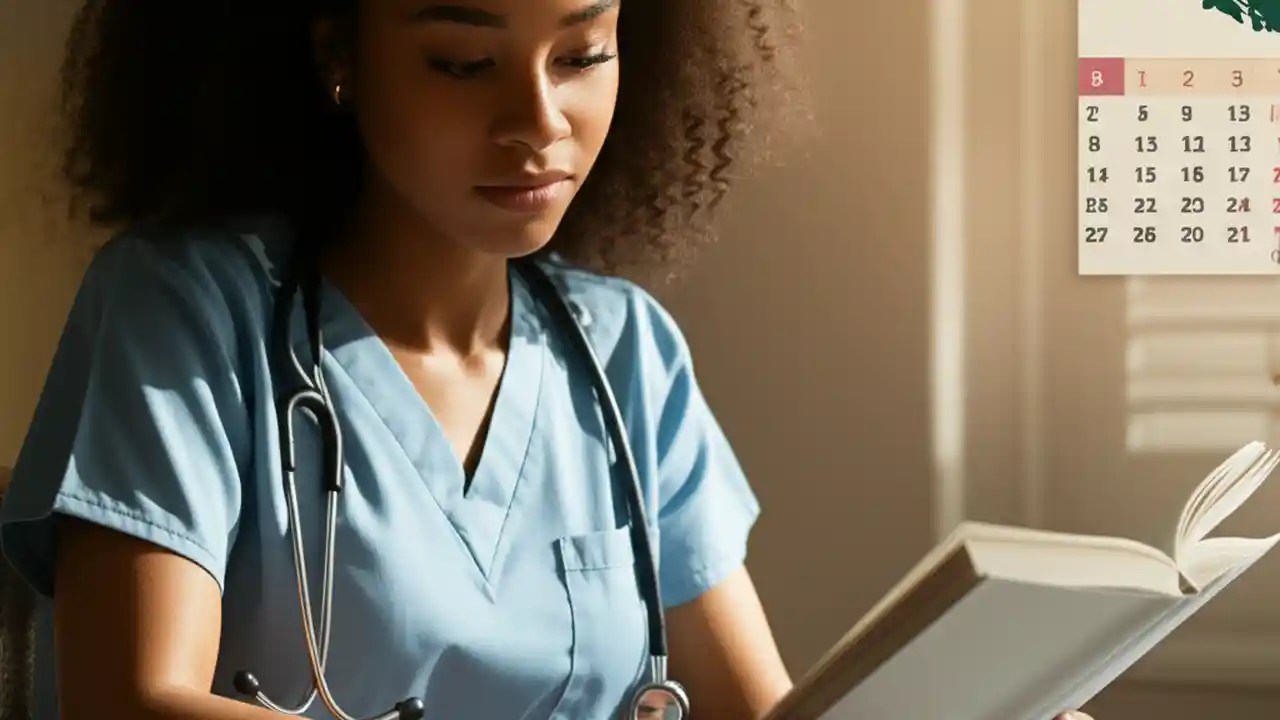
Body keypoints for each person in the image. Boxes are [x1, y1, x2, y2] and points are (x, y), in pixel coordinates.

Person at [0, 2, 1097, 719]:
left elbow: (755, 712)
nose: (537, 121)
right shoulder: (184, 309)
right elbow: (131, 703)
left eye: (581, 55)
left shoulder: (624, 353)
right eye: (464, 62)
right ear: (338, 55)